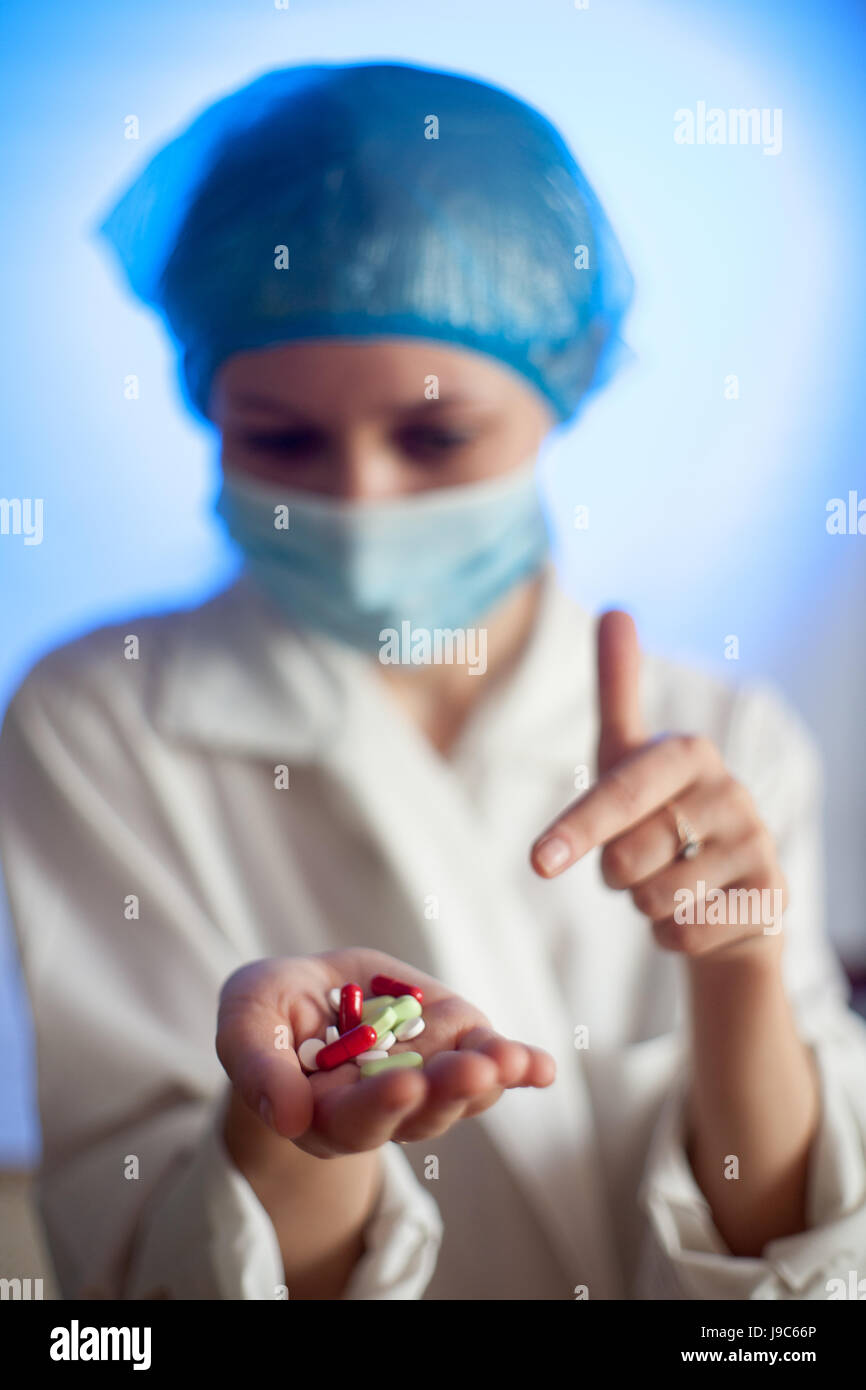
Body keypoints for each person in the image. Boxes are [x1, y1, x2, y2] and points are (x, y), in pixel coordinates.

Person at [1, 60, 865, 1302]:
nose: (358, 497)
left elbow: (794, 1292)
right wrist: (294, 1133)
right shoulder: (96, 721)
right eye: (282, 439)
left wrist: (736, 976)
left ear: (558, 395)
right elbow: (141, 1287)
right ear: (205, 409)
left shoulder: (725, 741)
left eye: (435, 435)